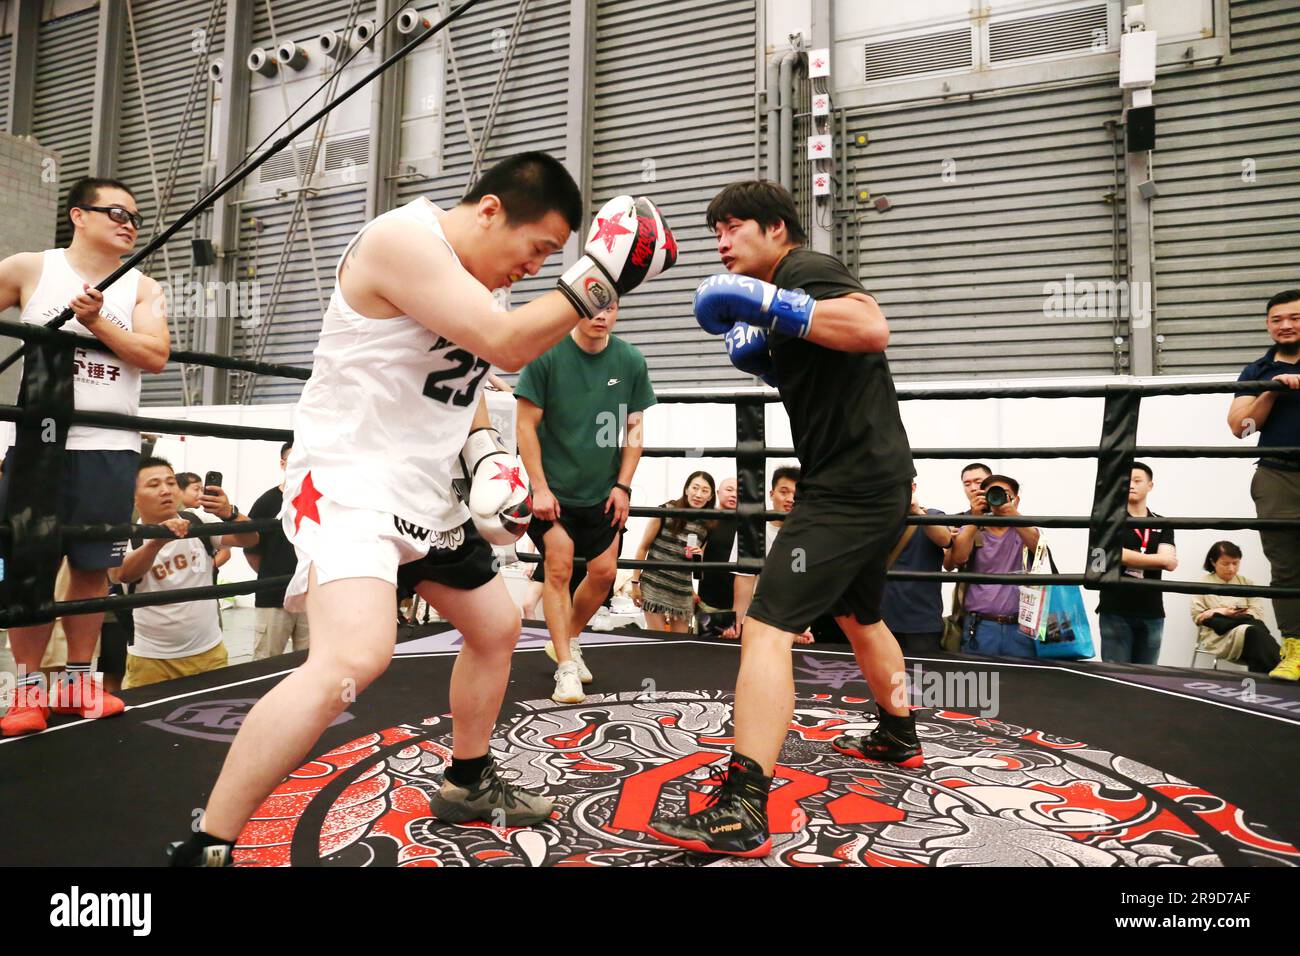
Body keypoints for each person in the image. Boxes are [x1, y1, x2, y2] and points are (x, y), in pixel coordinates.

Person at [167, 152, 674, 866]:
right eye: (536, 250)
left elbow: (462, 393)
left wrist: (486, 456)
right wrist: (599, 275)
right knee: (353, 657)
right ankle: (207, 844)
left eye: (550, 260)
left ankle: (467, 782)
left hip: (425, 494)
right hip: (348, 486)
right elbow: (502, 344)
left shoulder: (480, 290)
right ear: (492, 210)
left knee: (497, 627)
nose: (533, 269)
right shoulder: (400, 241)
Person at [647, 180, 915, 858]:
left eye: (733, 227)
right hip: (872, 481)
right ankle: (897, 733)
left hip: (848, 490)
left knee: (765, 627)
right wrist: (769, 357)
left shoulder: (803, 270)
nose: (722, 242)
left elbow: (872, 327)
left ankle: (742, 807)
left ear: (775, 229)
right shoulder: (789, 302)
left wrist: (772, 303)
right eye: (716, 232)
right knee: (860, 616)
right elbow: (830, 365)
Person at [0, 177, 170, 737]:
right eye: (116, 211)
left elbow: (155, 354)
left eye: (135, 218)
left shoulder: (142, 286)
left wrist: (99, 321)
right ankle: (24, 693)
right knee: (31, 564)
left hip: (110, 447)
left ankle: (78, 684)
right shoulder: (30, 266)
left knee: (92, 569)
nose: (128, 223)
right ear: (78, 215)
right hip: (40, 441)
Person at [514, 298, 656, 703]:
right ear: (577, 307)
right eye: (593, 307)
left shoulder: (630, 360)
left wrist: (623, 486)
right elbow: (525, 426)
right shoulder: (546, 356)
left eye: (609, 308)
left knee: (604, 573)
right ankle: (565, 667)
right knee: (557, 570)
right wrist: (538, 487)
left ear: (617, 311)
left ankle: (570, 639)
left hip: (604, 491)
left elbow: (633, 429)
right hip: (554, 492)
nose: (600, 316)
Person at [110, 458, 258, 687]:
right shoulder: (127, 534)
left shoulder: (198, 520)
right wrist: (156, 543)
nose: (165, 490)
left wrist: (230, 512)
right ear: (134, 496)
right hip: (151, 658)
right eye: (153, 485)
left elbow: (250, 539)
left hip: (209, 651)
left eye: (171, 482)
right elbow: (120, 575)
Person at [1228, 289, 1300, 666]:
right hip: (1277, 476)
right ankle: (1295, 651)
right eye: (1277, 319)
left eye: (1295, 317)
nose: (1286, 325)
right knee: (1286, 568)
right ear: (1268, 324)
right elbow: (1241, 428)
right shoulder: (1257, 370)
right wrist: (1273, 391)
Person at [946, 474, 1041, 659]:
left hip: (1021, 625)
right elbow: (958, 558)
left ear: (1016, 499)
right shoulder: (973, 529)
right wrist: (975, 518)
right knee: (980, 684)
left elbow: (1039, 549)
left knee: (1025, 683)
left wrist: (1013, 514)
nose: (998, 499)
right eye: (992, 494)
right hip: (980, 626)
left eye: (1004, 494)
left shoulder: (1024, 529)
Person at [1096, 462, 1177, 664]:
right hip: (1115, 609)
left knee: (1147, 680)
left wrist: (1123, 555)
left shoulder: (1162, 522)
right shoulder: (1108, 520)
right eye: (1126, 481)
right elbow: (1106, 557)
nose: (1131, 485)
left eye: (1137, 480)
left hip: (1152, 611)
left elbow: (1169, 563)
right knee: (1116, 679)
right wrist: (1156, 560)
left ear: (1150, 485)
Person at [725, 466, 810, 644]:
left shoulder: (804, 533)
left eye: (795, 493)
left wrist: (800, 625)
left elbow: (798, 581)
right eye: (784, 492)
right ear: (771, 494)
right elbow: (744, 577)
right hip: (755, 618)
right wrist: (736, 621)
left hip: (787, 620)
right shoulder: (753, 529)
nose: (790, 499)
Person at [245, 441, 310, 659]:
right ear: (283, 464)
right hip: (273, 597)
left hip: (310, 596)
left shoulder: (319, 502)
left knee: (311, 661)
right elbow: (251, 550)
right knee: (265, 662)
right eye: (294, 461)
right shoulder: (266, 503)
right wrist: (272, 575)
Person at [1190, 541, 1292, 678]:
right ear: (1213, 562)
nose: (1231, 569)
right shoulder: (1201, 585)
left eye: (1235, 563)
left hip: (1247, 630)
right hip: (1217, 636)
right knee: (1255, 634)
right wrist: (1225, 612)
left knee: (1254, 635)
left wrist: (1219, 613)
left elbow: (1258, 612)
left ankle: (1265, 678)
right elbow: (1198, 616)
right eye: (1225, 564)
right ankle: (1280, 672)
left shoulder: (1247, 584)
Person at [630, 471, 714, 632]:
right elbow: (643, 547)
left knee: (679, 645)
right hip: (654, 586)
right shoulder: (665, 511)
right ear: (686, 490)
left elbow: (697, 570)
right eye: (695, 488)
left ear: (710, 497)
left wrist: (698, 558)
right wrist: (635, 584)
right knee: (657, 641)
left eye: (704, 490)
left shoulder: (706, 526)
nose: (698, 494)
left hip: (681, 591)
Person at [879, 481, 955, 654]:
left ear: (913, 487)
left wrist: (917, 512)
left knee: (923, 677)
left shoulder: (932, 514)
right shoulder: (878, 519)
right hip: (880, 619)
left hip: (922, 621)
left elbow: (946, 540)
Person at [696, 476, 738, 637]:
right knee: (706, 648)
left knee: (733, 653)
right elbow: (691, 554)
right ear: (718, 493)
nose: (734, 494)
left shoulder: (747, 524)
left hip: (736, 602)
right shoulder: (706, 519)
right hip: (708, 600)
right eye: (729, 490)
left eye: (738, 491)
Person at [178, 472, 233, 581]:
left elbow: (225, 552)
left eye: (202, 490)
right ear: (178, 491)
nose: (201, 494)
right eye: (196, 489)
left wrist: (204, 570)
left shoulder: (203, 515)